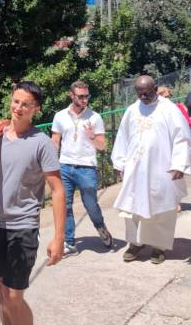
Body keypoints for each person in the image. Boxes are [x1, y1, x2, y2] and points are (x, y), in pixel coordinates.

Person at [0, 81, 65, 325]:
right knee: (0, 290)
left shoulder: (41, 142)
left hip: (22, 226)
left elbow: (58, 190)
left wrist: (59, 238)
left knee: (13, 297)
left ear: (36, 109)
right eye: (16, 101)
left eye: (26, 104)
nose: (18, 108)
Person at [111, 76, 191, 265]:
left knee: (161, 208)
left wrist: (179, 165)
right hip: (135, 169)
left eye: (147, 92)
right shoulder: (132, 110)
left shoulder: (169, 109)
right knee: (132, 208)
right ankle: (135, 244)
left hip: (162, 169)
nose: (143, 96)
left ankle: (158, 247)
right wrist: (120, 163)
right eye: (139, 93)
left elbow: (182, 138)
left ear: (155, 88)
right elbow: (123, 137)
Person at [50, 80, 112, 257]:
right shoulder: (60, 116)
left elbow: (102, 146)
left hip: (86, 168)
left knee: (91, 205)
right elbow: (55, 142)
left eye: (87, 96)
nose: (85, 99)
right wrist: (49, 162)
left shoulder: (95, 117)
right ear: (71, 95)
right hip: (65, 166)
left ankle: (100, 227)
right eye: (81, 96)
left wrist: (93, 136)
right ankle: (69, 243)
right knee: (65, 205)